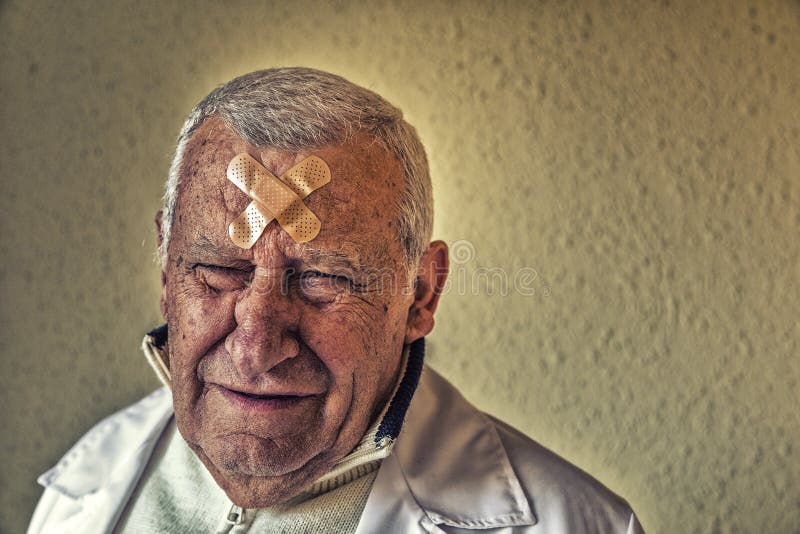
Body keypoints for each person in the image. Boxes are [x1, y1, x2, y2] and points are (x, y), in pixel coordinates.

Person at [28, 67, 645, 533]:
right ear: (166, 268)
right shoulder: (91, 482)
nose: (257, 346)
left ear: (420, 294)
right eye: (219, 271)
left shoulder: (581, 523)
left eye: (322, 279)